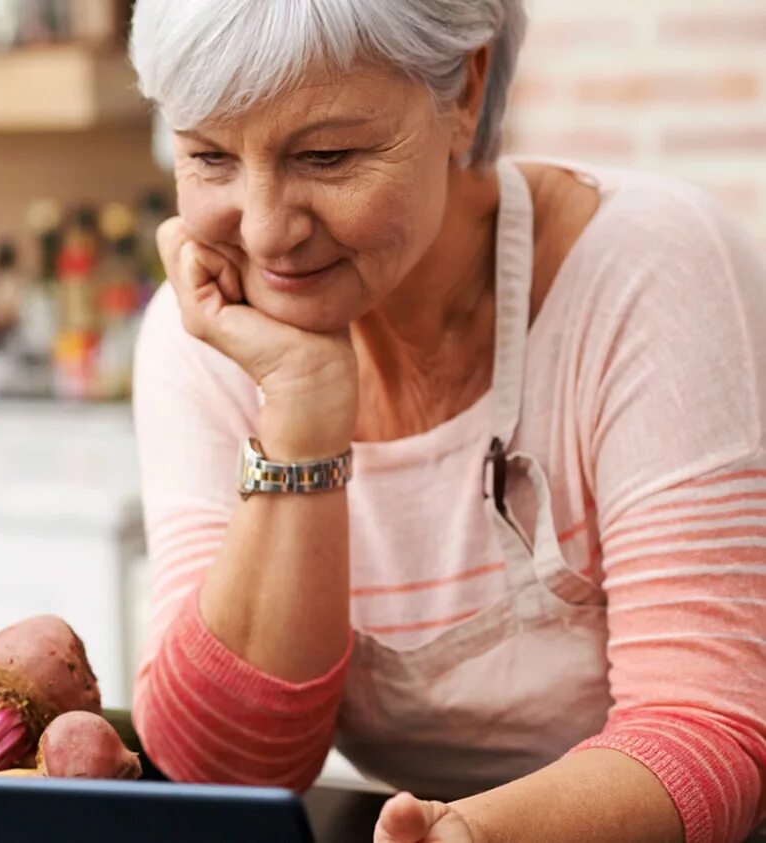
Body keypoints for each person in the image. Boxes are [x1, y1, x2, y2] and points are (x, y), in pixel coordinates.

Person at [126, 2, 766, 841]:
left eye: (325, 156)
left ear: (463, 89)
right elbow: (222, 772)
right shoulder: (206, 328)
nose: (265, 232)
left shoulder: (650, 270)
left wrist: (471, 833)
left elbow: (707, 734)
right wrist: (303, 411)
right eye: (209, 156)